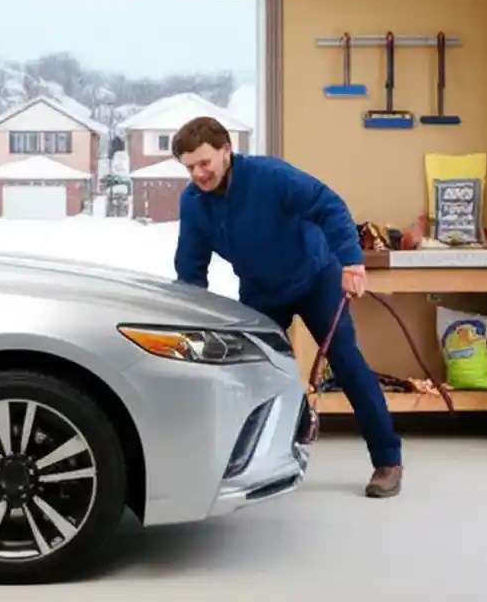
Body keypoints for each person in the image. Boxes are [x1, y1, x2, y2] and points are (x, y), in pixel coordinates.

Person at [169, 115, 403, 498]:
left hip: (316, 278)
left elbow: (330, 206)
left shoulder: (271, 177)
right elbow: (191, 262)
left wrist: (351, 262)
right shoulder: (194, 202)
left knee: (346, 362)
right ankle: (252, 463)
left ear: (226, 151)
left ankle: (388, 460)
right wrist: (189, 311)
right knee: (252, 372)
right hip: (261, 290)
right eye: (190, 167)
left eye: (204, 163)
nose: (198, 174)